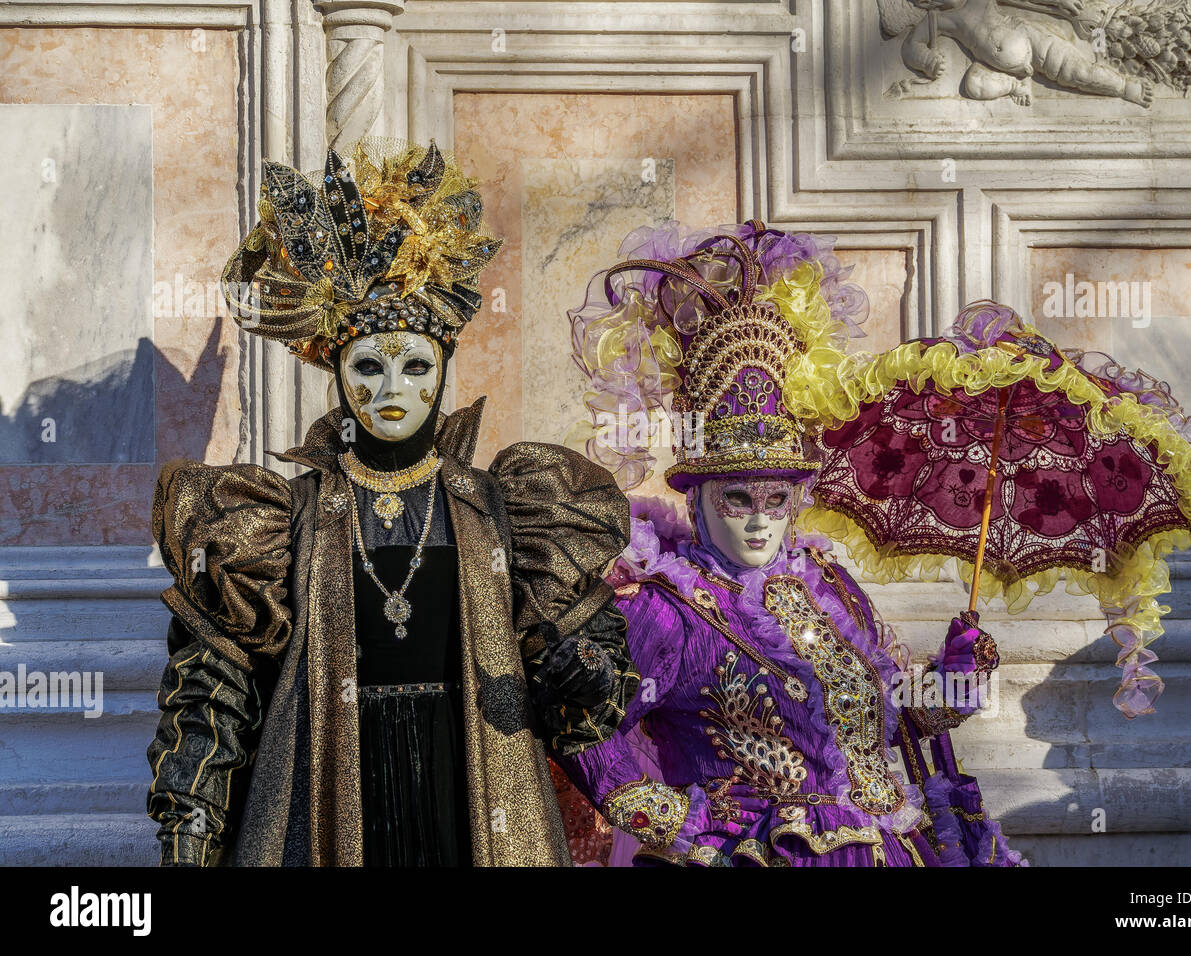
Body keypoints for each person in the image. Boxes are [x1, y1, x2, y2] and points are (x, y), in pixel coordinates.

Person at [145, 138, 636, 866]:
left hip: (474, 801)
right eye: (369, 367)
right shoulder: (283, 519)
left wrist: (583, 678)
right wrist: (189, 831)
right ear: (339, 376)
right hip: (327, 800)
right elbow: (216, 687)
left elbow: (587, 692)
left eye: (415, 366)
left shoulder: (509, 509)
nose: (391, 390)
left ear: (442, 371)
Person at [557, 220, 1023, 865]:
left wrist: (951, 682)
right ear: (696, 496)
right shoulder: (666, 609)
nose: (758, 521)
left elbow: (885, 718)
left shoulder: (828, 586)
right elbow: (582, 725)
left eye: (776, 500)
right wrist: (691, 824)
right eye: (737, 499)